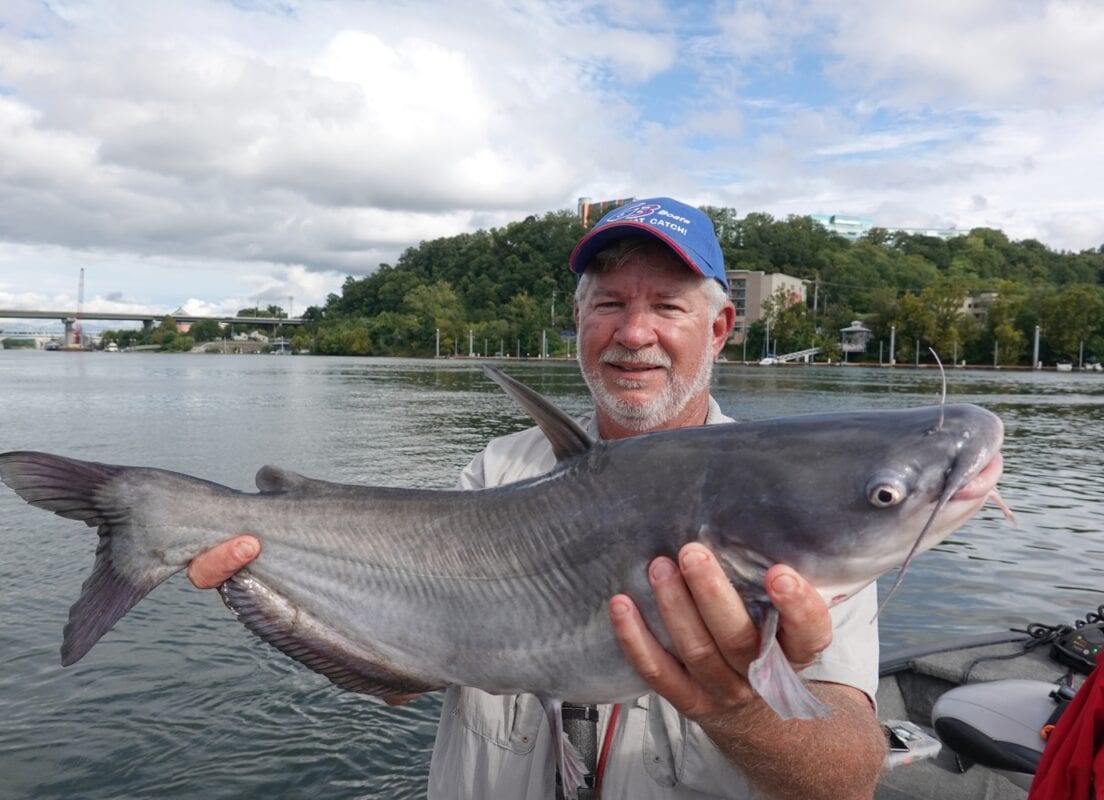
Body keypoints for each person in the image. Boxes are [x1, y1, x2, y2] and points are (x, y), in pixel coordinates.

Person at [186, 197, 887, 799]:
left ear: (720, 328)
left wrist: (736, 708)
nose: (633, 333)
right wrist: (284, 588)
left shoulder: (795, 511)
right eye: (609, 304)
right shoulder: (499, 472)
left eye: (667, 306)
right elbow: (405, 681)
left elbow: (847, 779)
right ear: (579, 323)